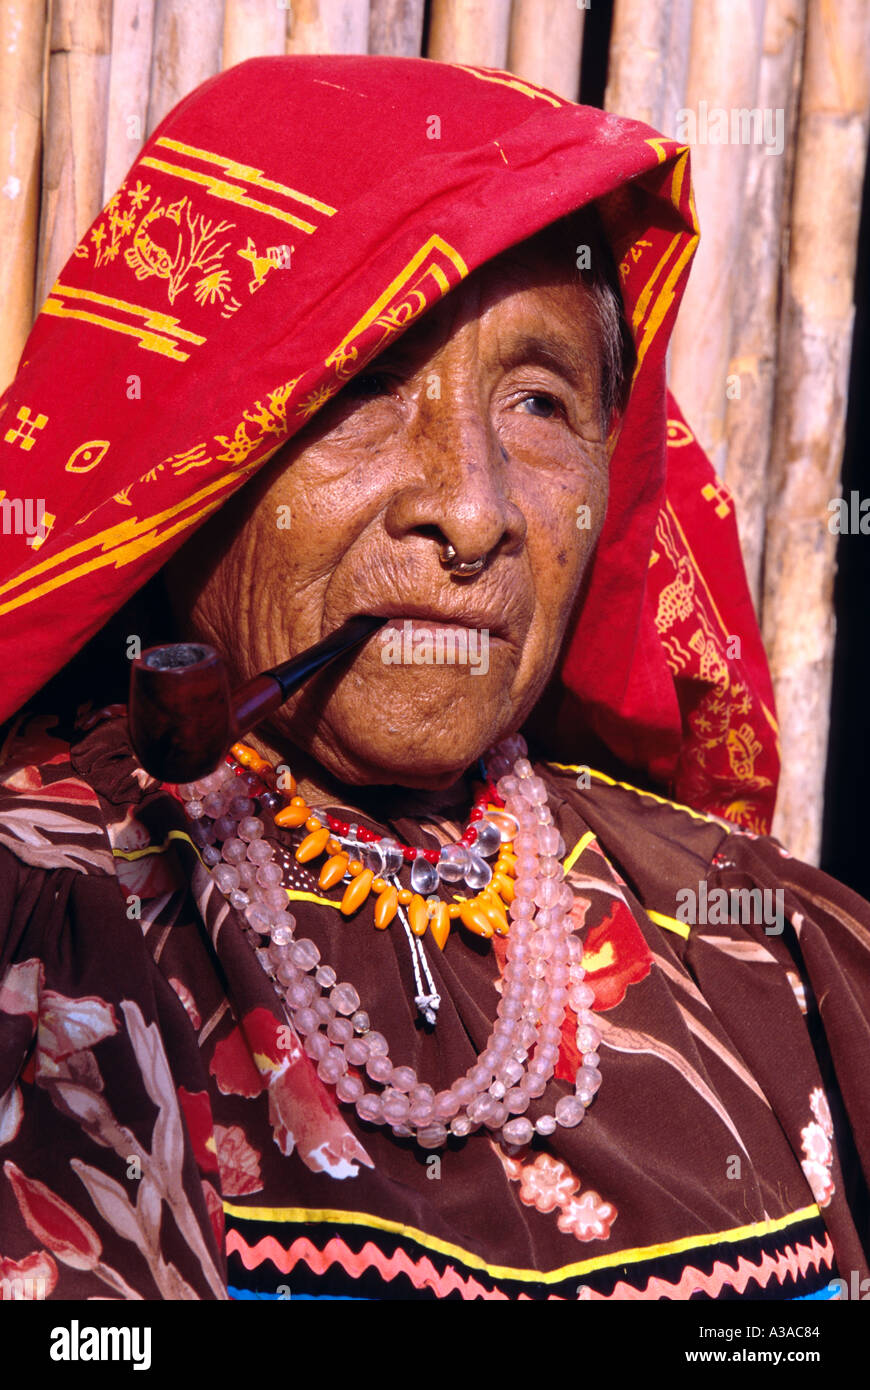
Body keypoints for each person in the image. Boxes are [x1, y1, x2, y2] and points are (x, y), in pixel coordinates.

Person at [0, 55, 867, 1303]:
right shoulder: (54, 935)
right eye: (360, 386)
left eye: (536, 400)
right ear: (197, 451)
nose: (471, 511)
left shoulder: (763, 952)